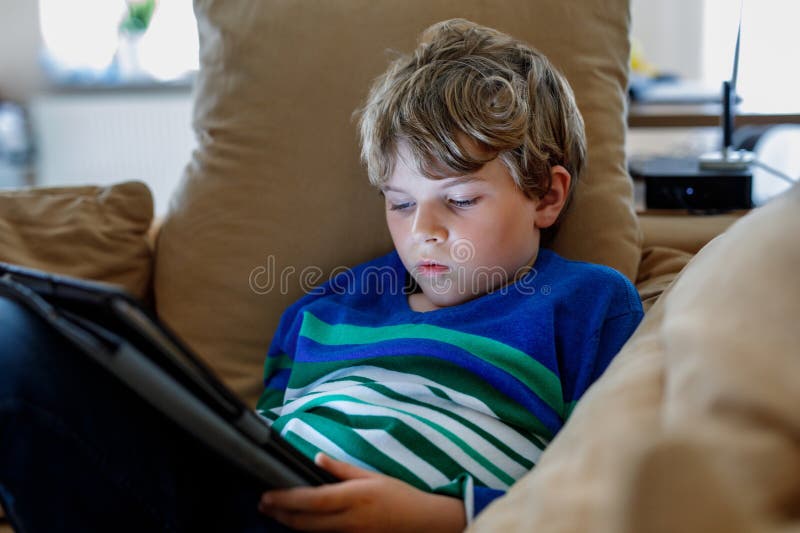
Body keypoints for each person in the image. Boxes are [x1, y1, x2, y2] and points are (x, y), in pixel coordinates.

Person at [0, 18, 642, 533]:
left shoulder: (586, 304)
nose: (424, 230)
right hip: (248, 510)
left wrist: (441, 518)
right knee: (17, 340)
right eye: (400, 202)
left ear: (547, 196)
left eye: (460, 199)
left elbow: (612, 487)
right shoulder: (326, 309)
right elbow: (253, 445)